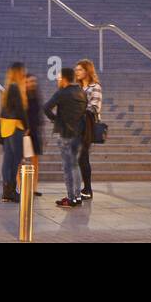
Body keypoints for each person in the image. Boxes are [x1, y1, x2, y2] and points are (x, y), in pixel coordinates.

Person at [44, 66, 88, 208]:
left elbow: (46, 108)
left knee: (67, 167)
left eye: (58, 78)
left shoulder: (62, 93)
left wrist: (55, 119)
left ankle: (70, 198)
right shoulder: (81, 92)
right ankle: (77, 196)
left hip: (65, 134)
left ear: (64, 79)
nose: (57, 81)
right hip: (79, 135)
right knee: (75, 165)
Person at [0, 63, 28, 202]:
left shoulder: (8, 88)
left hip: (6, 126)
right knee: (15, 160)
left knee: (8, 159)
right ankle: (11, 191)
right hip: (15, 126)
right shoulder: (16, 88)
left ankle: (6, 191)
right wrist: (27, 125)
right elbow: (20, 110)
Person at [75, 58, 101, 199]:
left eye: (80, 69)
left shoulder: (95, 87)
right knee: (80, 158)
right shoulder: (78, 88)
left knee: (83, 156)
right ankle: (84, 188)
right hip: (77, 125)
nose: (76, 72)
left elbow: (94, 107)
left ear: (87, 71)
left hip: (88, 124)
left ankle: (88, 189)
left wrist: (77, 109)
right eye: (76, 70)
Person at [23, 74, 45, 197]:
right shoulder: (22, 97)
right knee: (21, 161)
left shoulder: (36, 97)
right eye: (29, 81)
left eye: (33, 81)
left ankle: (33, 188)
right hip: (25, 132)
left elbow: (38, 116)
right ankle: (20, 187)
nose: (31, 84)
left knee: (35, 161)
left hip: (35, 132)